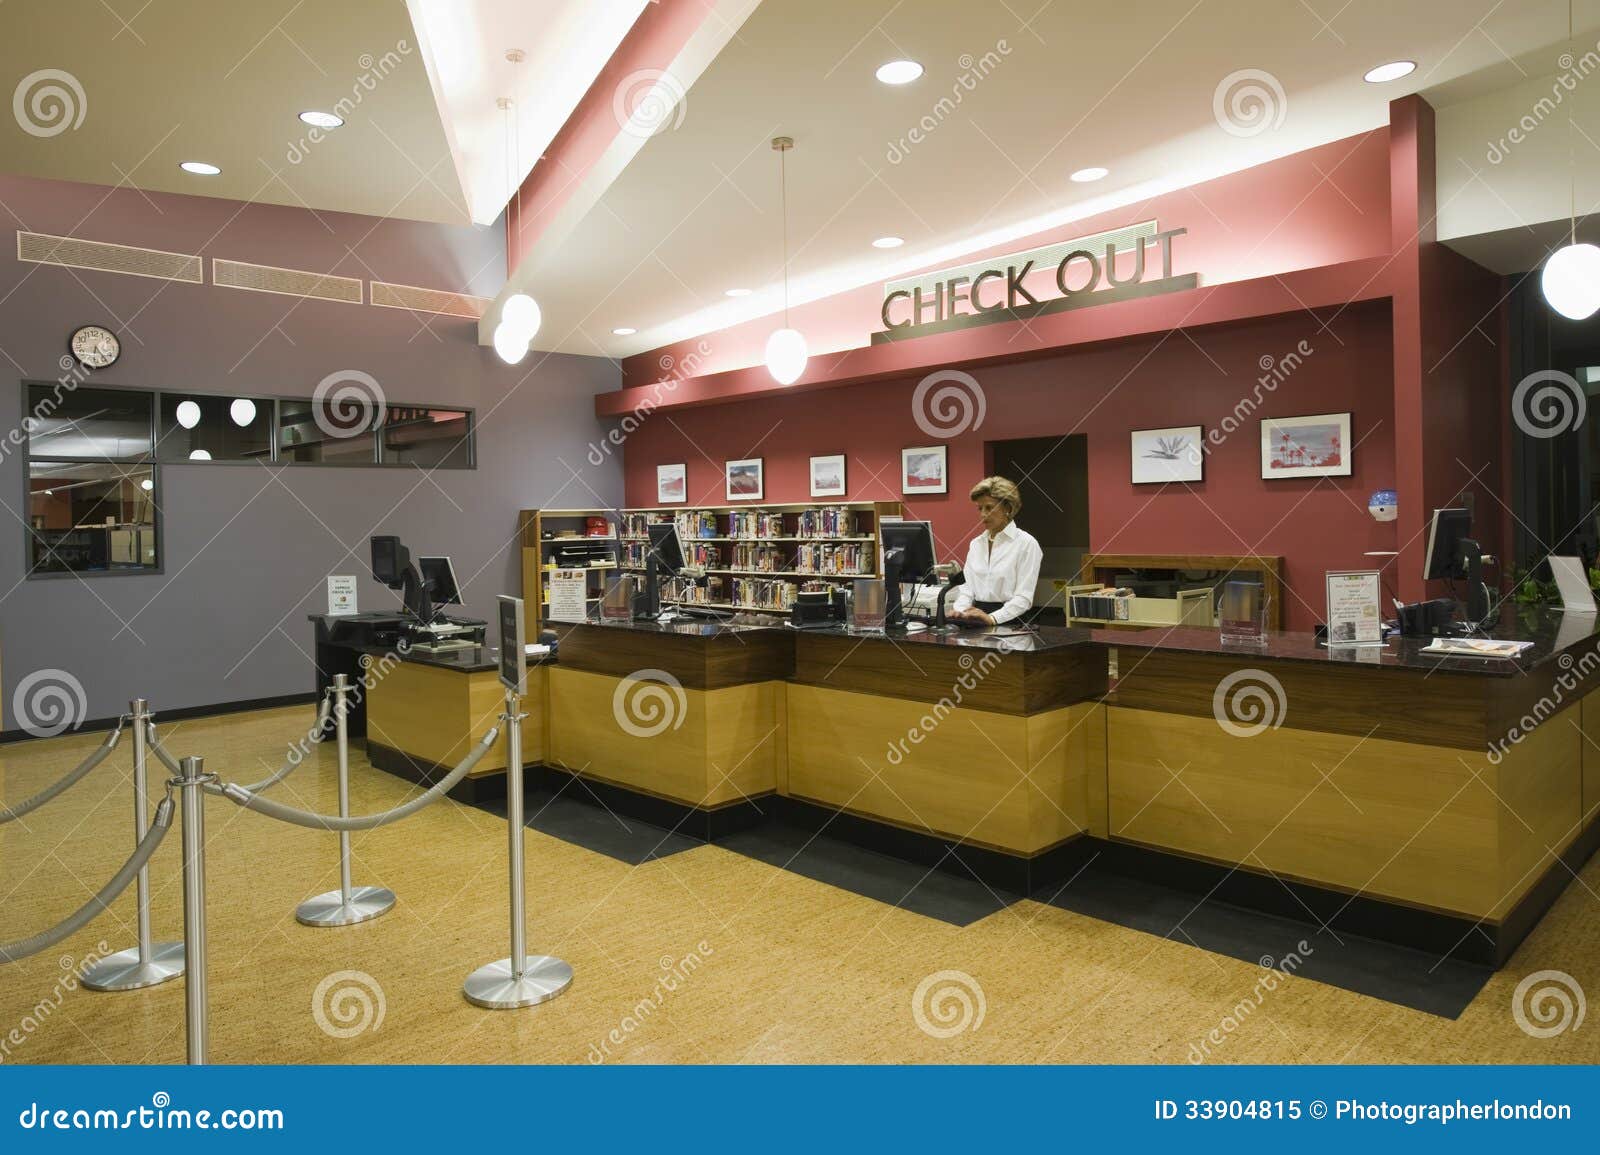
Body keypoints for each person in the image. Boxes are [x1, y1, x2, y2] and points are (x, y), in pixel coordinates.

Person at [949, 476, 1043, 627]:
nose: (983, 514)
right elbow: (966, 590)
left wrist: (992, 618)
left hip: (1011, 622)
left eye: (989, 507)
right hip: (977, 620)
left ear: (1007, 508)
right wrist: (960, 611)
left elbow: (1023, 598)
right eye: (980, 508)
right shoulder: (976, 544)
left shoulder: (1026, 544)